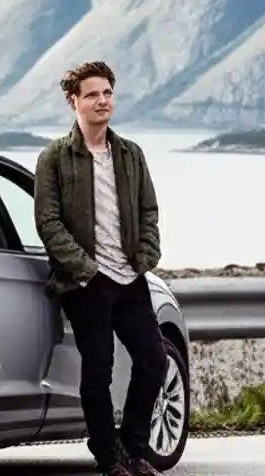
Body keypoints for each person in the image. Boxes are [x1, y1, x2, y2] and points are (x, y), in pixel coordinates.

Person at [33, 60, 167, 476]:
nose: (102, 101)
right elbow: (48, 222)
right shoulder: (54, 158)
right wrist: (85, 269)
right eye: (92, 94)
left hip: (130, 278)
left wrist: (145, 257)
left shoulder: (130, 154)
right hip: (85, 283)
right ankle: (108, 458)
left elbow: (148, 211)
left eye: (107, 93)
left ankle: (134, 450)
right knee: (98, 371)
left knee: (154, 361)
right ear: (74, 101)